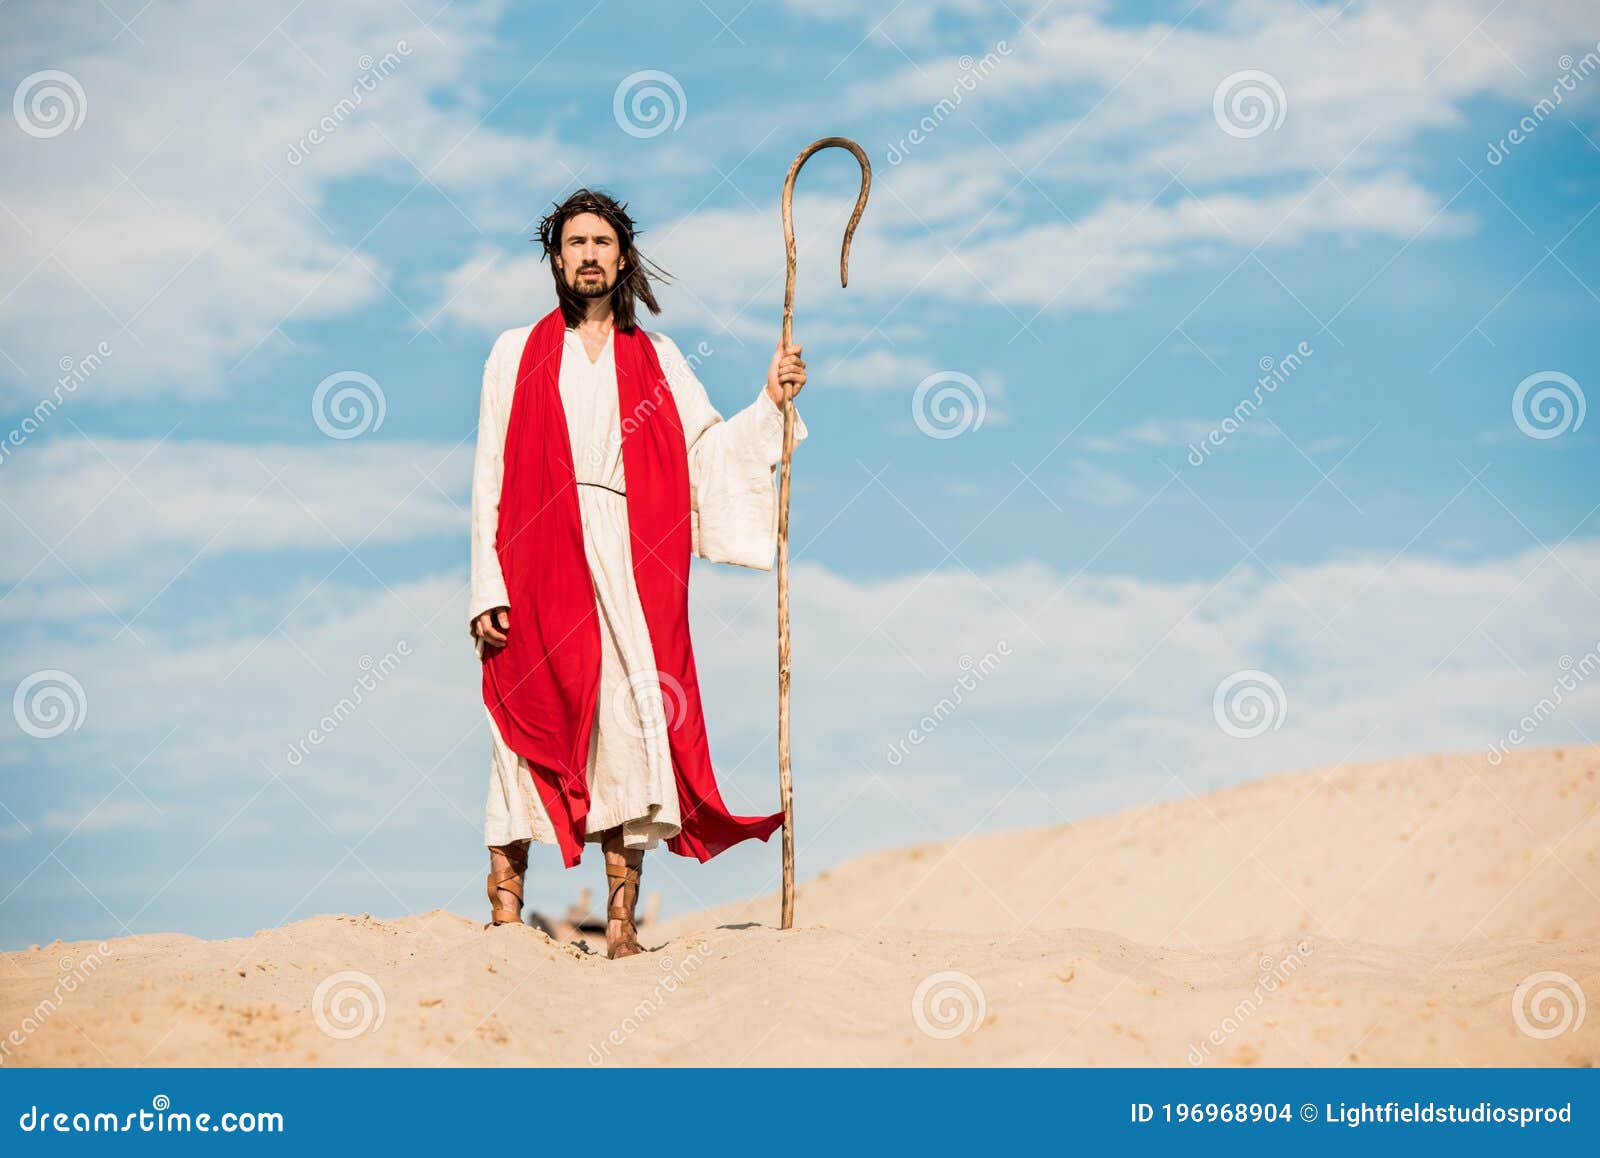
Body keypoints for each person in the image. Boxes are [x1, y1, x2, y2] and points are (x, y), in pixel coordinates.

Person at [468, 188, 808, 959]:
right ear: (556, 257)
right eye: (576, 242)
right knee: (522, 722)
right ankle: (504, 919)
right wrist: (485, 586)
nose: (589, 255)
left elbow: (708, 453)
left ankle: (620, 929)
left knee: (628, 726)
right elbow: (488, 470)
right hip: (533, 553)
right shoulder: (513, 353)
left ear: (622, 258)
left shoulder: (657, 358)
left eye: (603, 243)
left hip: (628, 554)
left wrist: (770, 402)